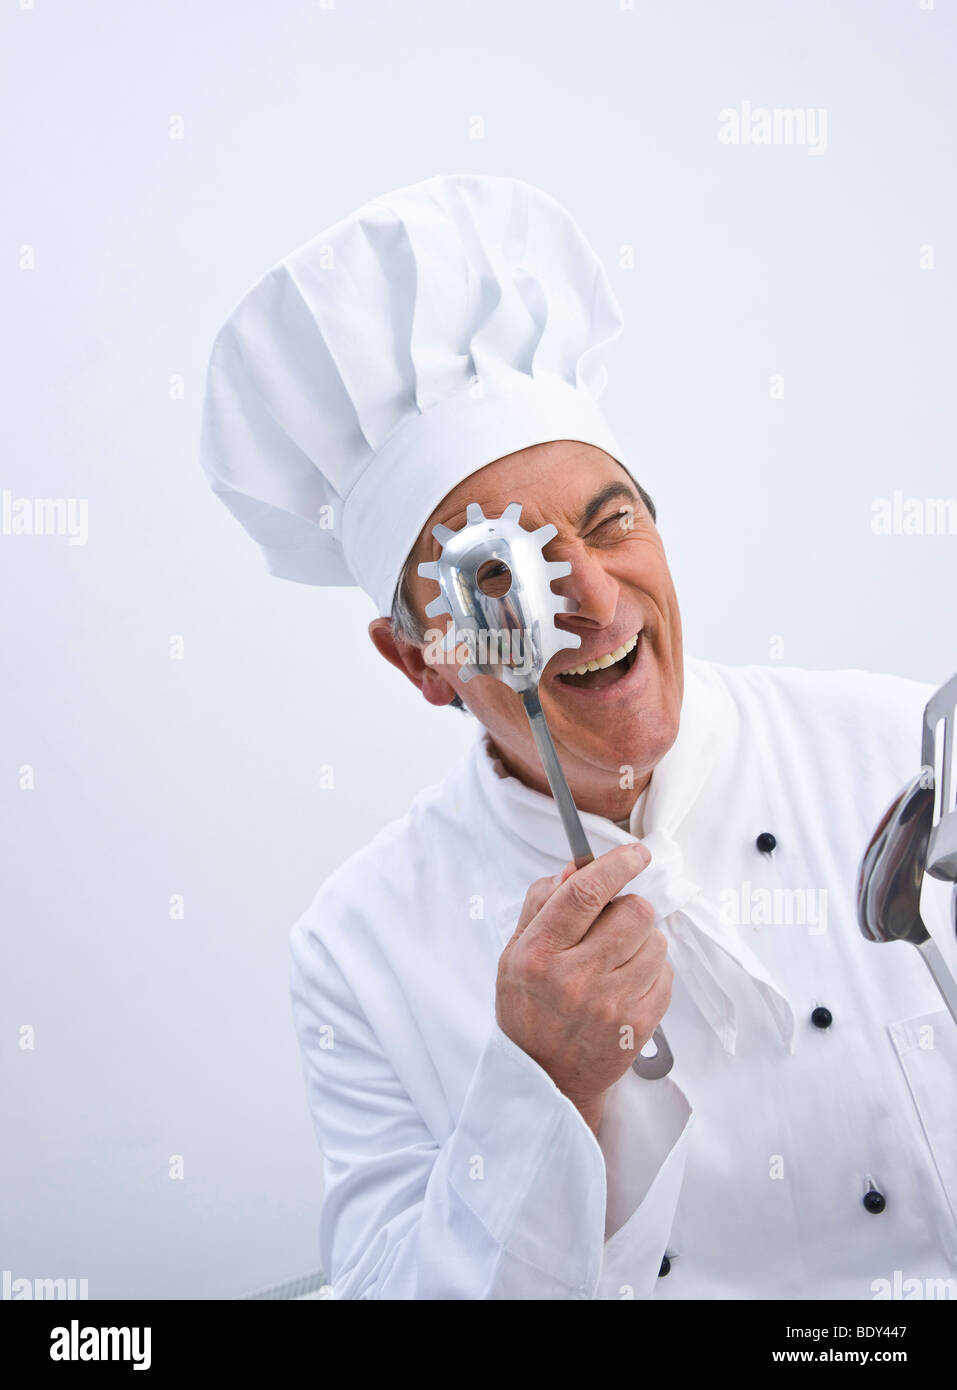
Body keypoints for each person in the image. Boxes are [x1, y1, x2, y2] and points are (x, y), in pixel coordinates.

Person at [199, 173, 957, 1299]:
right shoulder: (361, 949)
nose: (594, 604)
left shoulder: (902, 750)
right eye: (500, 578)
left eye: (611, 523)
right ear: (418, 660)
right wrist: (538, 1085)